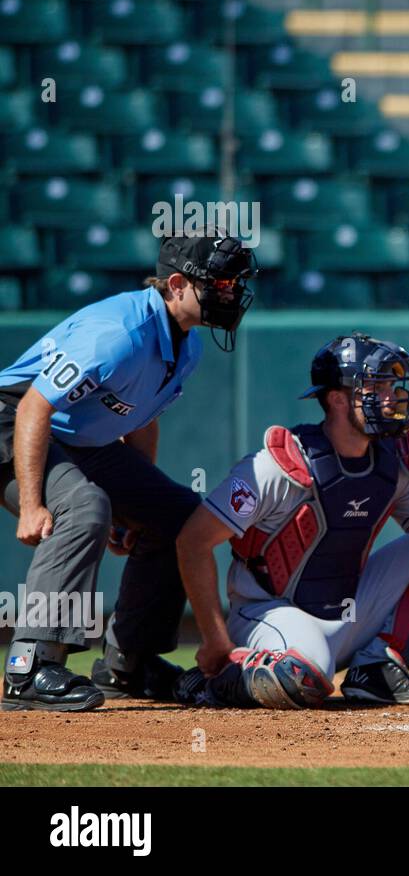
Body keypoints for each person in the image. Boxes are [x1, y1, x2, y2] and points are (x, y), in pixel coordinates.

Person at [171, 333, 409, 709]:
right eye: (376, 386)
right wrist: (214, 638)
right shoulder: (279, 464)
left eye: (393, 385)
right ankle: (210, 681)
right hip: (269, 611)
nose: (391, 396)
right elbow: (194, 541)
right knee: (302, 677)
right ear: (337, 398)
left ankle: (375, 669)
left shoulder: (400, 460)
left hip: (351, 609)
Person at [0, 228, 257, 711]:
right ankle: (29, 667)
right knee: (83, 507)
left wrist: (132, 510)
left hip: (78, 438)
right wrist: (32, 505)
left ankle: (128, 663)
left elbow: (141, 421)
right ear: (177, 284)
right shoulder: (119, 333)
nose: (231, 292)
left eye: (233, 283)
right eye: (219, 282)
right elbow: (35, 407)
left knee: (182, 517)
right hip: (12, 420)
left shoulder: (188, 345)